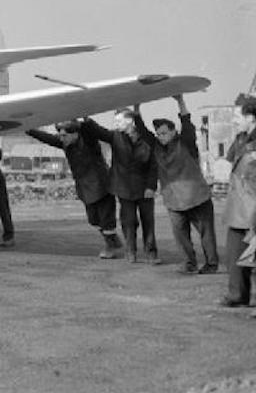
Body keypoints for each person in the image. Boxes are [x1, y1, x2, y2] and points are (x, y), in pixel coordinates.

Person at [141, 94, 218, 274]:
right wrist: (137, 109)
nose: (161, 137)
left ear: (174, 131)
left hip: (197, 197)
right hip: (174, 201)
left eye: (165, 133)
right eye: (158, 134)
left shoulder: (186, 142)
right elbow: (143, 131)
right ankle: (188, 264)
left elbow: (187, 123)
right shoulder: (157, 147)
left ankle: (211, 264)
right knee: (180, 236)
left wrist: (180, 100)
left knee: (206, 233)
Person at [26, 119, 123, 258]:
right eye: (60, 135)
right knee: (93, 220)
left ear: (75, 134)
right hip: (84, 187)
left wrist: (84, 119)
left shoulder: (89, 142)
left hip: (102, 186)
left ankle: (111, 247)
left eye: (64, 135)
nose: (61, 138)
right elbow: (47, 138)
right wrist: (28, 129)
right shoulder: (65, 143)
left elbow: (90, 129)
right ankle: (114, 240)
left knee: (106, 219)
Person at [89, 107, 160, 264]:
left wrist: (151, 187)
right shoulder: (115, 137)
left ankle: (151, 253)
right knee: (128, 222)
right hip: (124, 189)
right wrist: (86, 118)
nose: (116, 124)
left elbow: (153, 166)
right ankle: (131, 252)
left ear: (129, 121)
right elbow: (99, 131)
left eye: (119, 121)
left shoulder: (147, 138)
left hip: (144, 189)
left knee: (148, 222)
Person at [221, 98, 256, 307]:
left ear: (251, 118)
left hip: (253, 209)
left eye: (237, 117)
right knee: (234, 255)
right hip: (238, 209)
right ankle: (237, 295)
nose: (234, 121)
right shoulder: (241, 139)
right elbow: (230, 160)